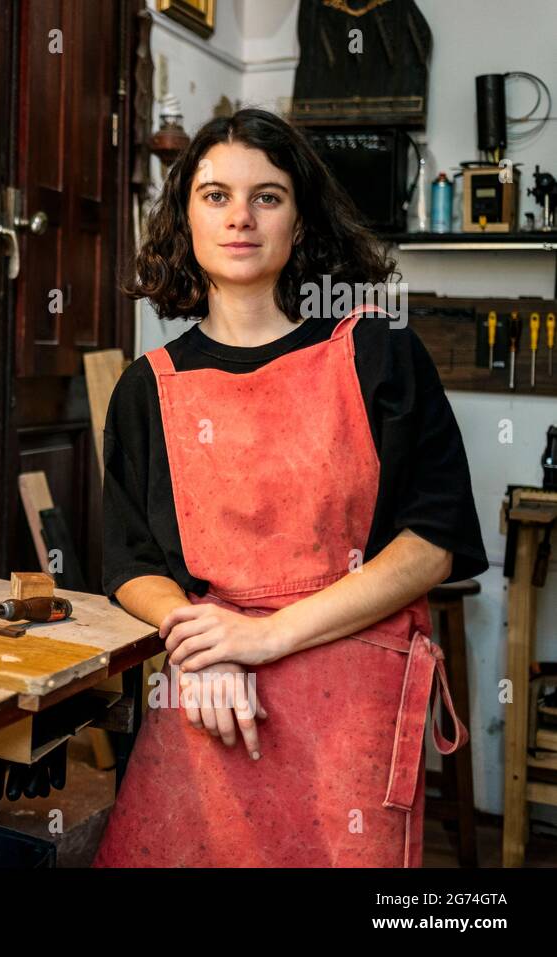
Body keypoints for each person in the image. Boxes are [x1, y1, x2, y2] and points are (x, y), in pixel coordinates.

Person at [91, 109, 487, 868]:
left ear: (300, 221)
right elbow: (128, 560)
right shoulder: (149, 387)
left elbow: (435, 542)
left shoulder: (376, 351)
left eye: (267, 196)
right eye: (215, 196)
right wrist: (203, 647)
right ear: (185, 220)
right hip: (208, 703)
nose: (240, 216)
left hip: (349, 713)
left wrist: (265, 635)